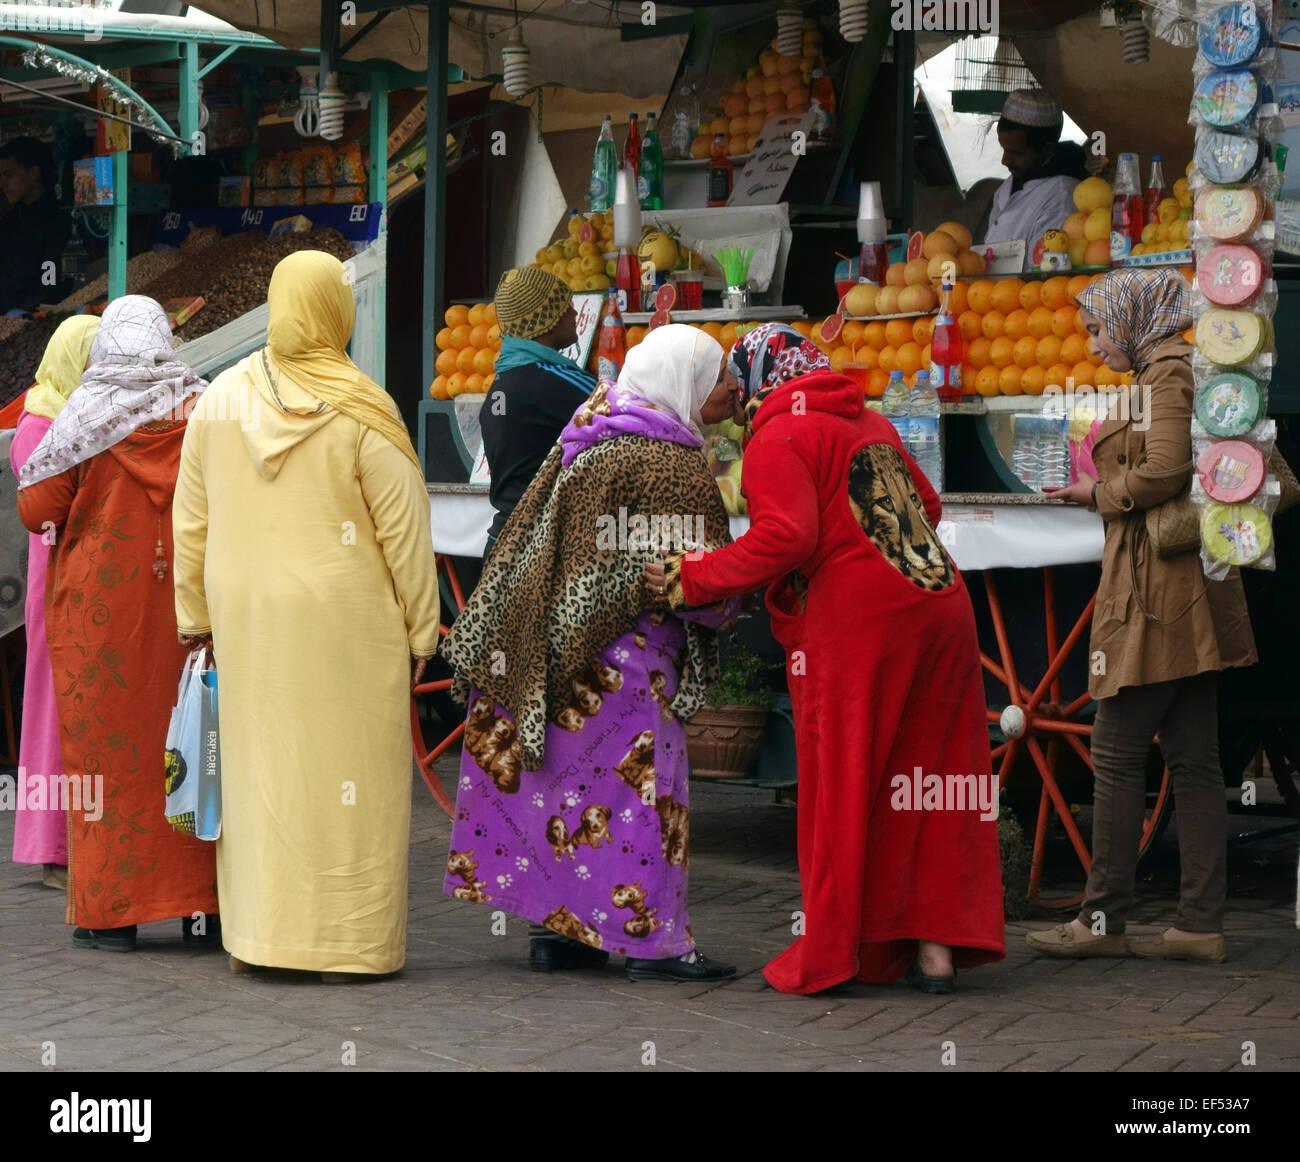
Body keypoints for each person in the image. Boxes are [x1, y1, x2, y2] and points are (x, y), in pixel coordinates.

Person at [646, 323, 1006, 996]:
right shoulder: (868, 420)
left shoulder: (782, 434)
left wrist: (692, 577)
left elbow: (787, 535)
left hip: (861, 625)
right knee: (931, 780)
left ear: (759, 382)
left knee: (841, 786)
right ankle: (935, 952)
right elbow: (924, 506)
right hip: (940, 603)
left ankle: (836, 952)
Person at [440, 324, 741, 982]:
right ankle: (654, 945)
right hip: (632, 664)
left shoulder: (589, 434)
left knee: (565, 797)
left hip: (556, 653)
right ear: (683, 383)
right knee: (644, 798)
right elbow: (705, 575)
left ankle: (562, 938)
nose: (730, 390)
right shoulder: (671, 460)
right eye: (717, 377)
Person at [172, 250, 441, 982]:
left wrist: (195, 615)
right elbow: (403, 530)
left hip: (247, 622)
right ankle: (345, 947)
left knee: (264, 776)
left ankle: (263, 940)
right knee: (347, 783)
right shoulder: (361, 406)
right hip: (345, 625)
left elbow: (190, 520)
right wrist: (424, 626)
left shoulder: (219, 398)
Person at [1030, 268, 1256, 963]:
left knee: (1118, 751)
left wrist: (1097, 493)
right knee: (1194, 760)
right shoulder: (1171, 368)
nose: (1095, 344)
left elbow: (1163, 471)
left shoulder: (1167, 373)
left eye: (1098, 329)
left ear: (1132, 318)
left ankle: (1102, 922)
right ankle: (1198, 924)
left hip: (1161, 590)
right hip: (1188, 586)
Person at [17, 296, 216, 953]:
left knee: (109, 762)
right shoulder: (202, 407)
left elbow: (36, 508)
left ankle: (112, 914)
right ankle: (202, 907)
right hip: (194, 614)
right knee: (200, 744)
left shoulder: (84, 415)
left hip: (104, 624)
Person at [9, 315, 99, 887]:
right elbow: (52, 505)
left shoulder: (65, 412)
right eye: (92, 359)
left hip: (77, 578)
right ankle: (53, 850)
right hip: (58, 578)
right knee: (53, 704)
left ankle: (71, 845)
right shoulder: (40, 423)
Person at [479, 266, 593, 553]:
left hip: (503, 545)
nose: (575, 314)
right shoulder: (554, 381)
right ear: (549, 321)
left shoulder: (502, 383)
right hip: (541, 552)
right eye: (567, 307)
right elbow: (629, 414)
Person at [983, 90, 1089, 270]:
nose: (1005, 160)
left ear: (1047, 149)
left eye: (1017, 153)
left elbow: (1042, 267)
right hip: (990, 293)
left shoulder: (1063, 195)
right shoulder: (1011, 183)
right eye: (1004, 148)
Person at [0, 137, 73, 314]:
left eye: (10, 175)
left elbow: (51, 285)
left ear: (34, 173)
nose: (2, 184)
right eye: (0, 176)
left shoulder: (58, 222)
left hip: (33, 320)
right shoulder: (9, 222)